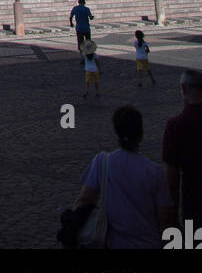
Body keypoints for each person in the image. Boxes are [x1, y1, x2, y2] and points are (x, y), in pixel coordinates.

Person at [73, 105, 173, 248]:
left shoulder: (102, 162)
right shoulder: (155, 172)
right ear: (141, 135)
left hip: (113, 243)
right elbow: (165, 219)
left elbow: (84, 200)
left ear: (117, 132)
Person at [162, 68, 202, 226]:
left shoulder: (176, 126)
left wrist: (170, 223)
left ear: (184, 88)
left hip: (195, 210)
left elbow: (171, 181)